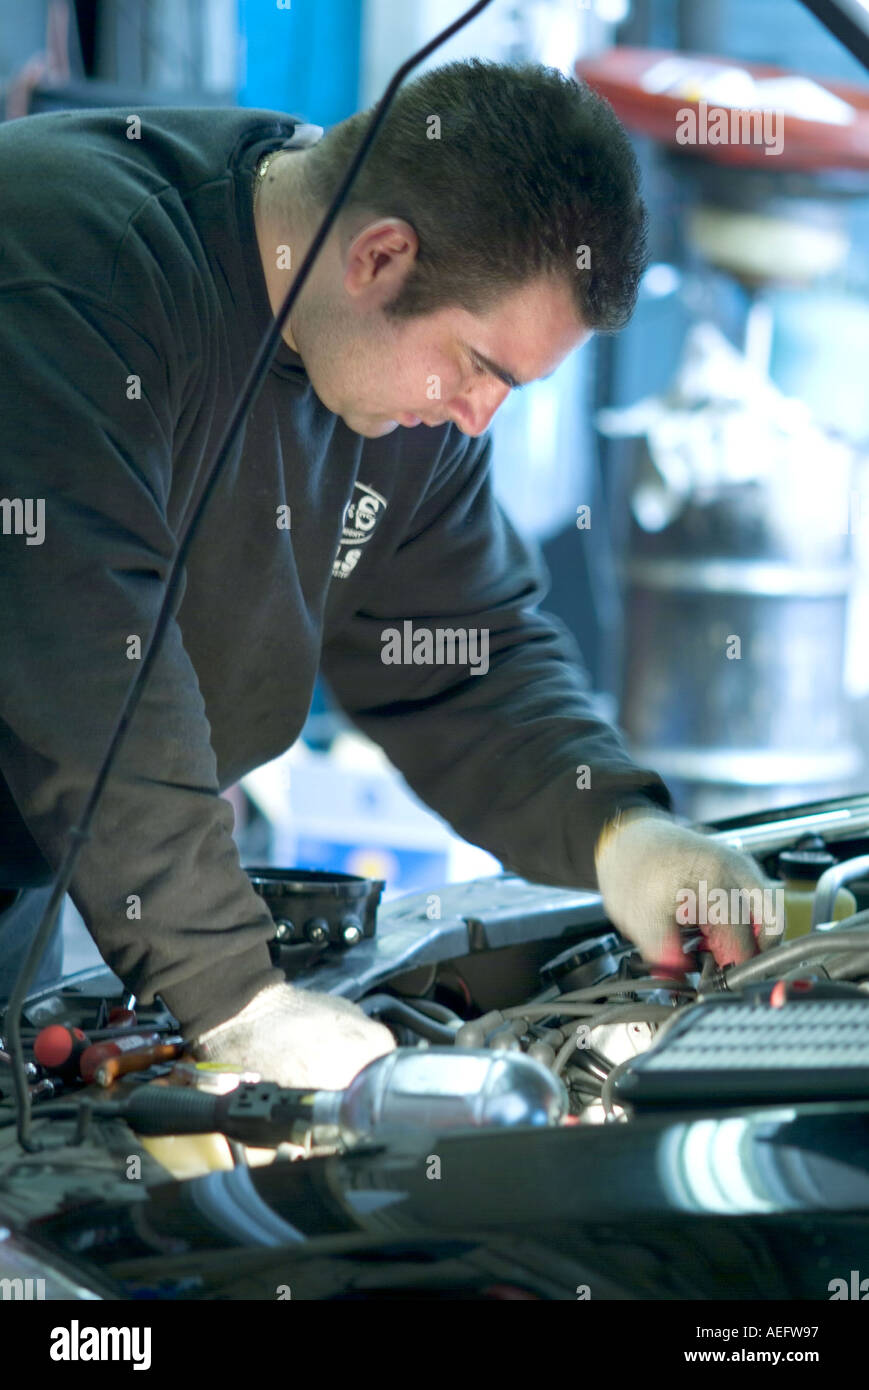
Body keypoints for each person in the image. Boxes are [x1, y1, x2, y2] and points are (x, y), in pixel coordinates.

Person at [0, 60, 778, 1089]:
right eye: (476, 366)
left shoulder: (397, 394)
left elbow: (466, 658)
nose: (476, 415)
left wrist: (621, 830)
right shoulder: (77, 270)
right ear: (378, 258)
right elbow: (90, 667)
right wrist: (235, 993)